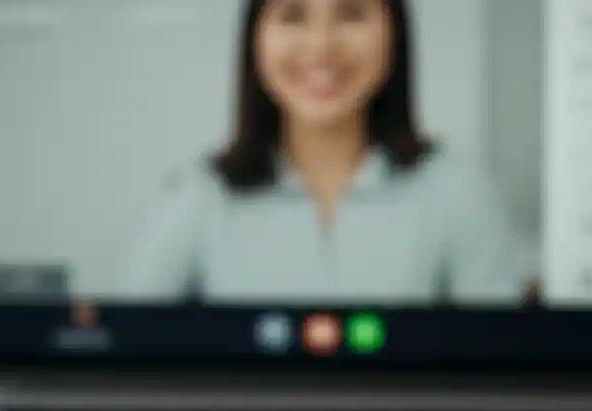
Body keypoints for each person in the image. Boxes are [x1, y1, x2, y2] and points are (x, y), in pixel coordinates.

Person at [118, 0, 520, 305]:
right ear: (255, 37)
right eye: (293, 15)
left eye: (351, 13)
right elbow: (127, 354)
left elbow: (504, 371)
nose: (322, 44)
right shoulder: (199, 196)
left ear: (393, 31)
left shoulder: (458, 191)